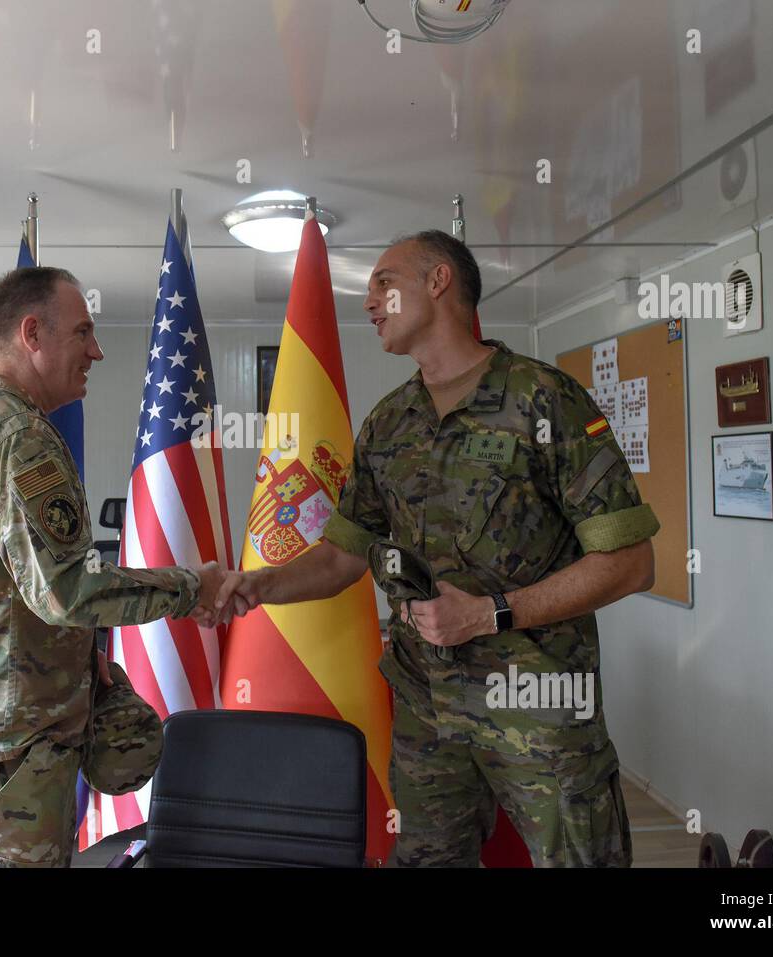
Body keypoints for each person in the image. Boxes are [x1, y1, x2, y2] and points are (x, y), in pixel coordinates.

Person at [206, 231, 659, 867]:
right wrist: (259, 585)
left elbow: (631, 564)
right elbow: (343, 555)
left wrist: (490, 612)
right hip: (427, 709)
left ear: (439, 281)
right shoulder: (388, 423)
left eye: (383, 282)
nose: (368, 303)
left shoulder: (543, 400)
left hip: (537, 706)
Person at [0, 265, 235, 867]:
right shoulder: (18, 437)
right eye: (83, 333)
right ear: (33, 334)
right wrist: (195, 588)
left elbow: (4, 588)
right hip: (3, 747)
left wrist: (78, 656)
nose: (97, 350)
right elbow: (66, 591)